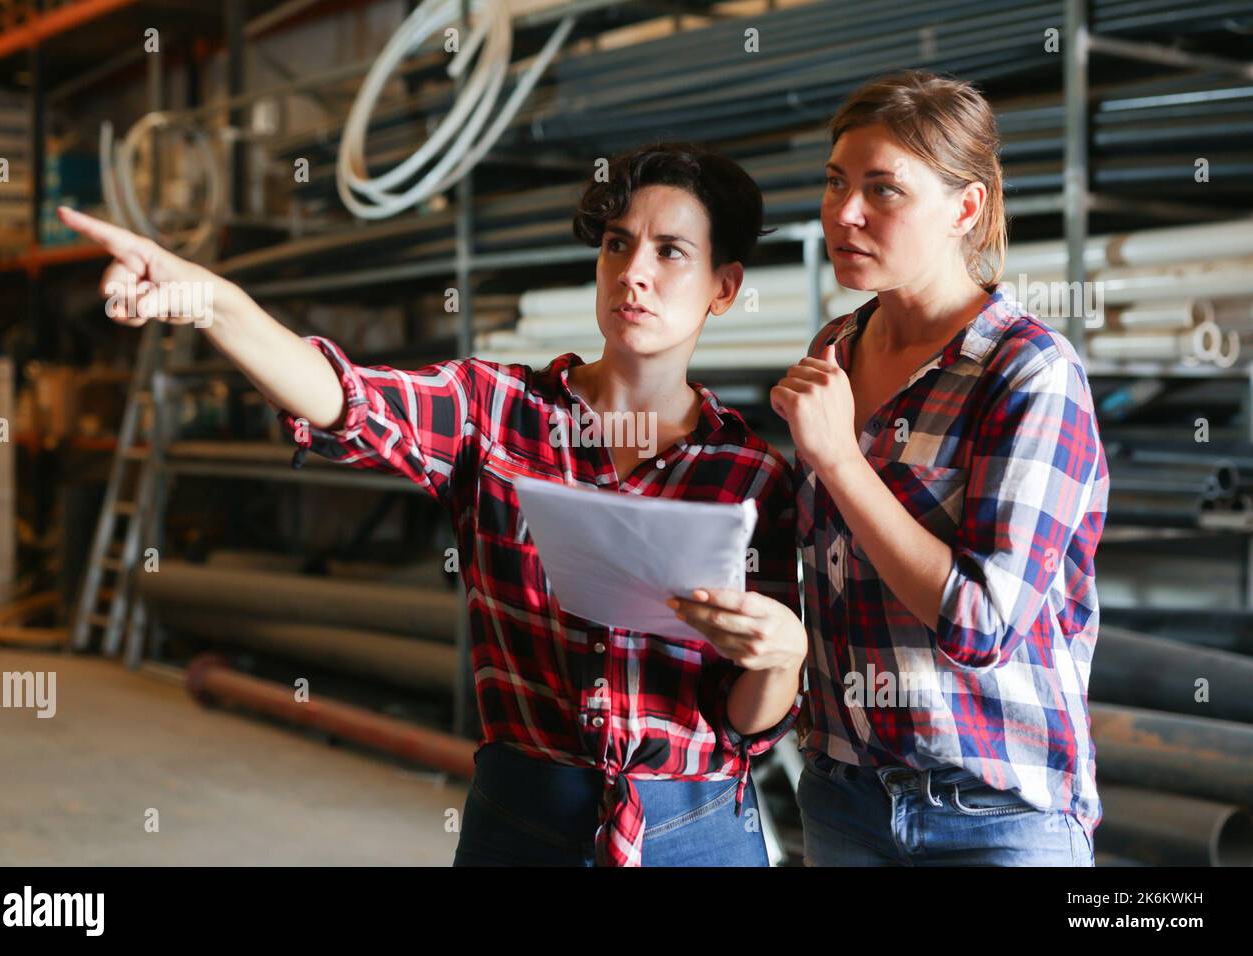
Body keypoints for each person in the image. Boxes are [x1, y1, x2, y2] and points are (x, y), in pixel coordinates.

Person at [59, 140, 806, 867]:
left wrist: (785, 656)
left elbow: (744, 723)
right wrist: (213, 302)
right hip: (522, 817)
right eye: (618, 244)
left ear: (725, 286)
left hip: (697, 830)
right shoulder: (496, 410)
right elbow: (345, 399)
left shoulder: (750, 477)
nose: (633, 273)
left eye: (671, 252)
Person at [676, 71, 1109, 866]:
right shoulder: (835, 347)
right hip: (846, 799)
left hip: (993, 815)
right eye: (837, 182)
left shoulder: (1029, 373)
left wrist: (840, 460)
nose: (844, 213)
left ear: (966, 207)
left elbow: (981, 625)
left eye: (884, 189)